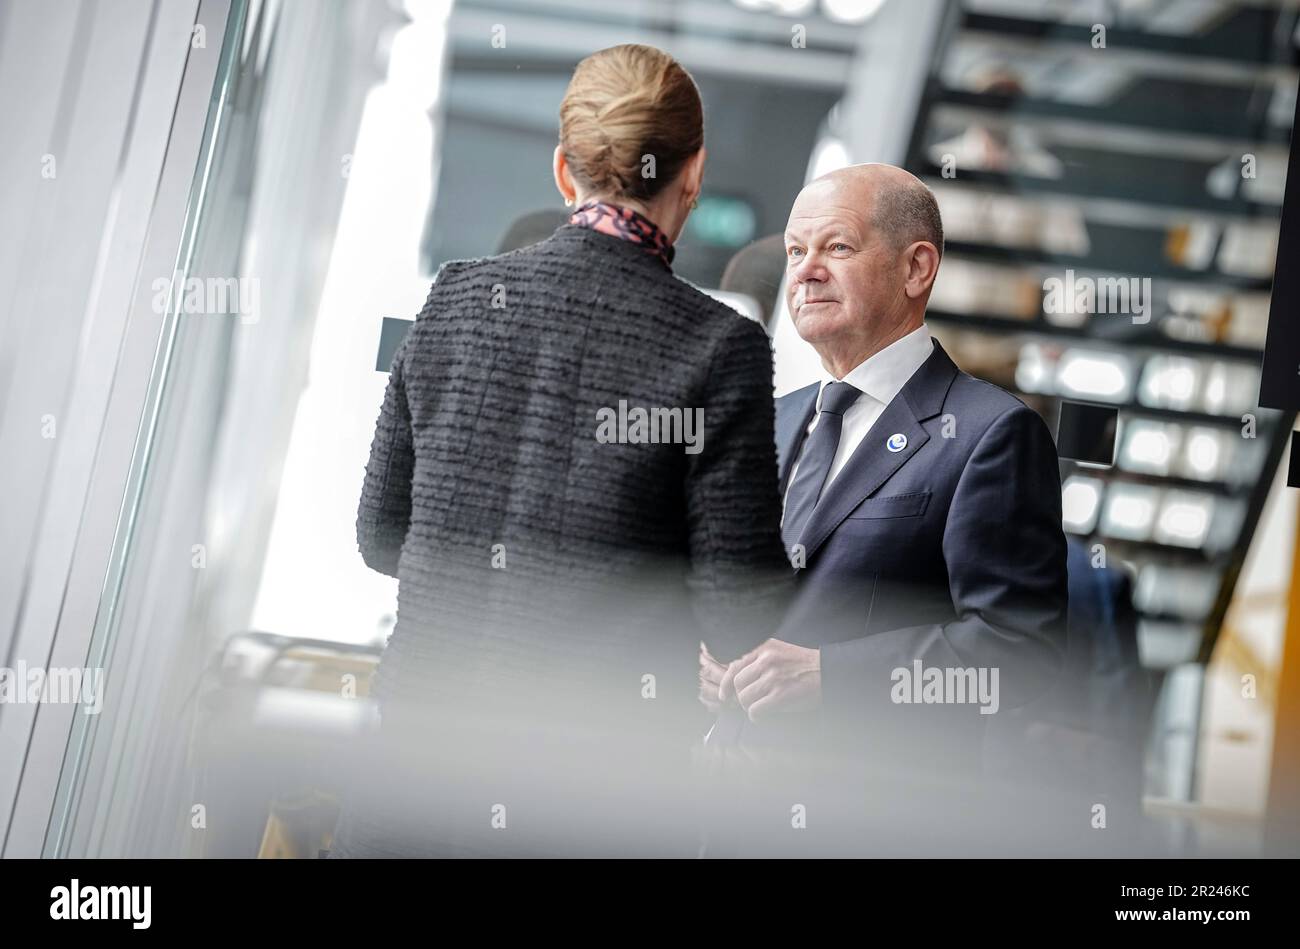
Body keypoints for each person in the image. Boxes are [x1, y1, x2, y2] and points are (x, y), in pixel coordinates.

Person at [329, 44, 790, 858]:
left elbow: (380, 536)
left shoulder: (456, 297)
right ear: (693, 174)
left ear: (563, 171)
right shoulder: (721, 348)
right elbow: (737, 609)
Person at [700, 164, 1069, 855]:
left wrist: (833, 676)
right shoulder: (769, 421)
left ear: (916, 267)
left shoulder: (990, 432)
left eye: (835, 247)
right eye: (793, 252)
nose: (805, 271)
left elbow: (1020, 650)